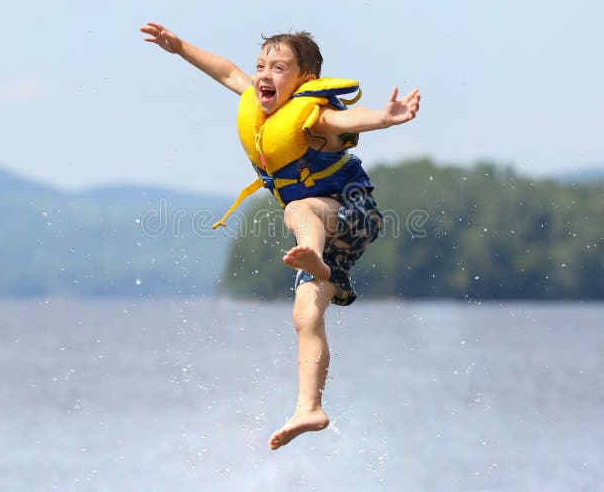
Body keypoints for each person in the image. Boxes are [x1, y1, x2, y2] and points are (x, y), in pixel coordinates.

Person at [140, 22, 420, 450]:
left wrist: (385, 118)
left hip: (353, 212)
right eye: (261, 66)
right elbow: (226, 71)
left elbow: (348, 118)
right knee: (305, 316)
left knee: (297, 209)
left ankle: (314, 255)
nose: (264, 75)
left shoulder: (316, 116)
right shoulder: (258, 100)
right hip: (324, 236)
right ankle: (309, 407)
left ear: (304, 80)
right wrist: (179, 47)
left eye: (278, 67)